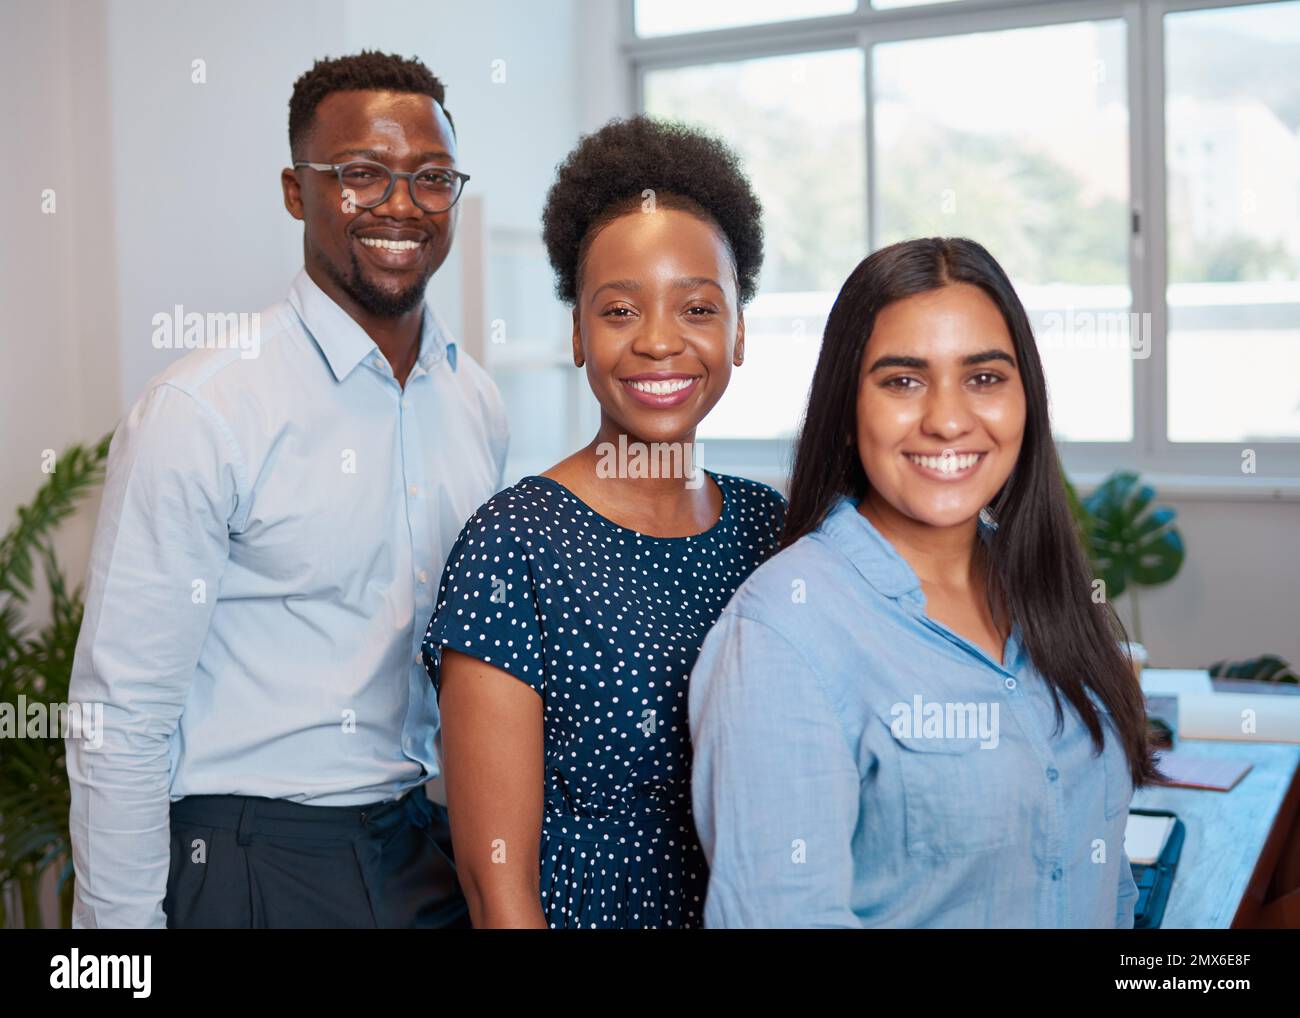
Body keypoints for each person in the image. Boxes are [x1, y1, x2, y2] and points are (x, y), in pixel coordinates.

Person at [65, 51, 508, 928]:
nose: (400, 205)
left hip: (418, 847)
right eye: (360, 174)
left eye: (431, 178)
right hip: (247, 860)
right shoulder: (204, 408)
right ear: (296, 191)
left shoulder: (475, 402)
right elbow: (120, 714)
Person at [689, 237, 1158, 928]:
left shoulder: (1047, 591)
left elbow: (1104, 879)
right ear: (848, 411)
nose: (945, 419)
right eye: (903, 380)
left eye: (985, 377)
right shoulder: (782, 635)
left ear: (1026, 400)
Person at [421, 116, 785, 928]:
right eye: (620, 311)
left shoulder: (775, 534)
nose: (660, 342)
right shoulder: (513, 545)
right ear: (578, 335)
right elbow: (497, 889)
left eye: (697, 308)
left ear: (737, 333)